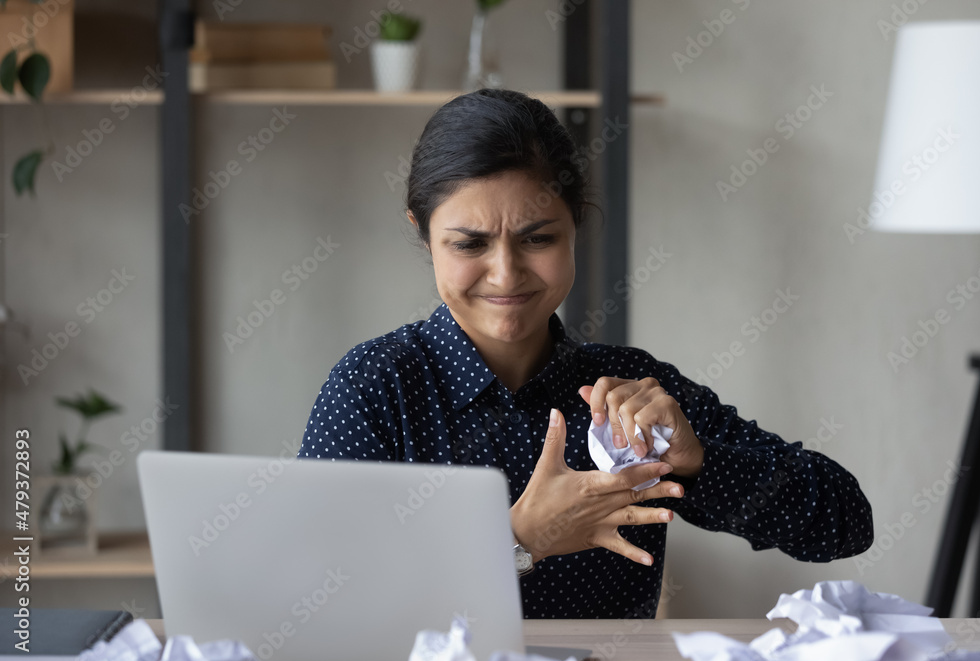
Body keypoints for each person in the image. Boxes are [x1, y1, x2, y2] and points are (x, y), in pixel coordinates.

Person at [297, 88, 874, 619]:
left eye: (538, 238)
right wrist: (520, 539)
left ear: (576, 224)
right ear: (424, 236)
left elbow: (846, 523)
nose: (505, 273)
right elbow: (313, 603)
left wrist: (698, 463)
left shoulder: (631, 388)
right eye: (470, 243)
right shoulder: (375, 387)